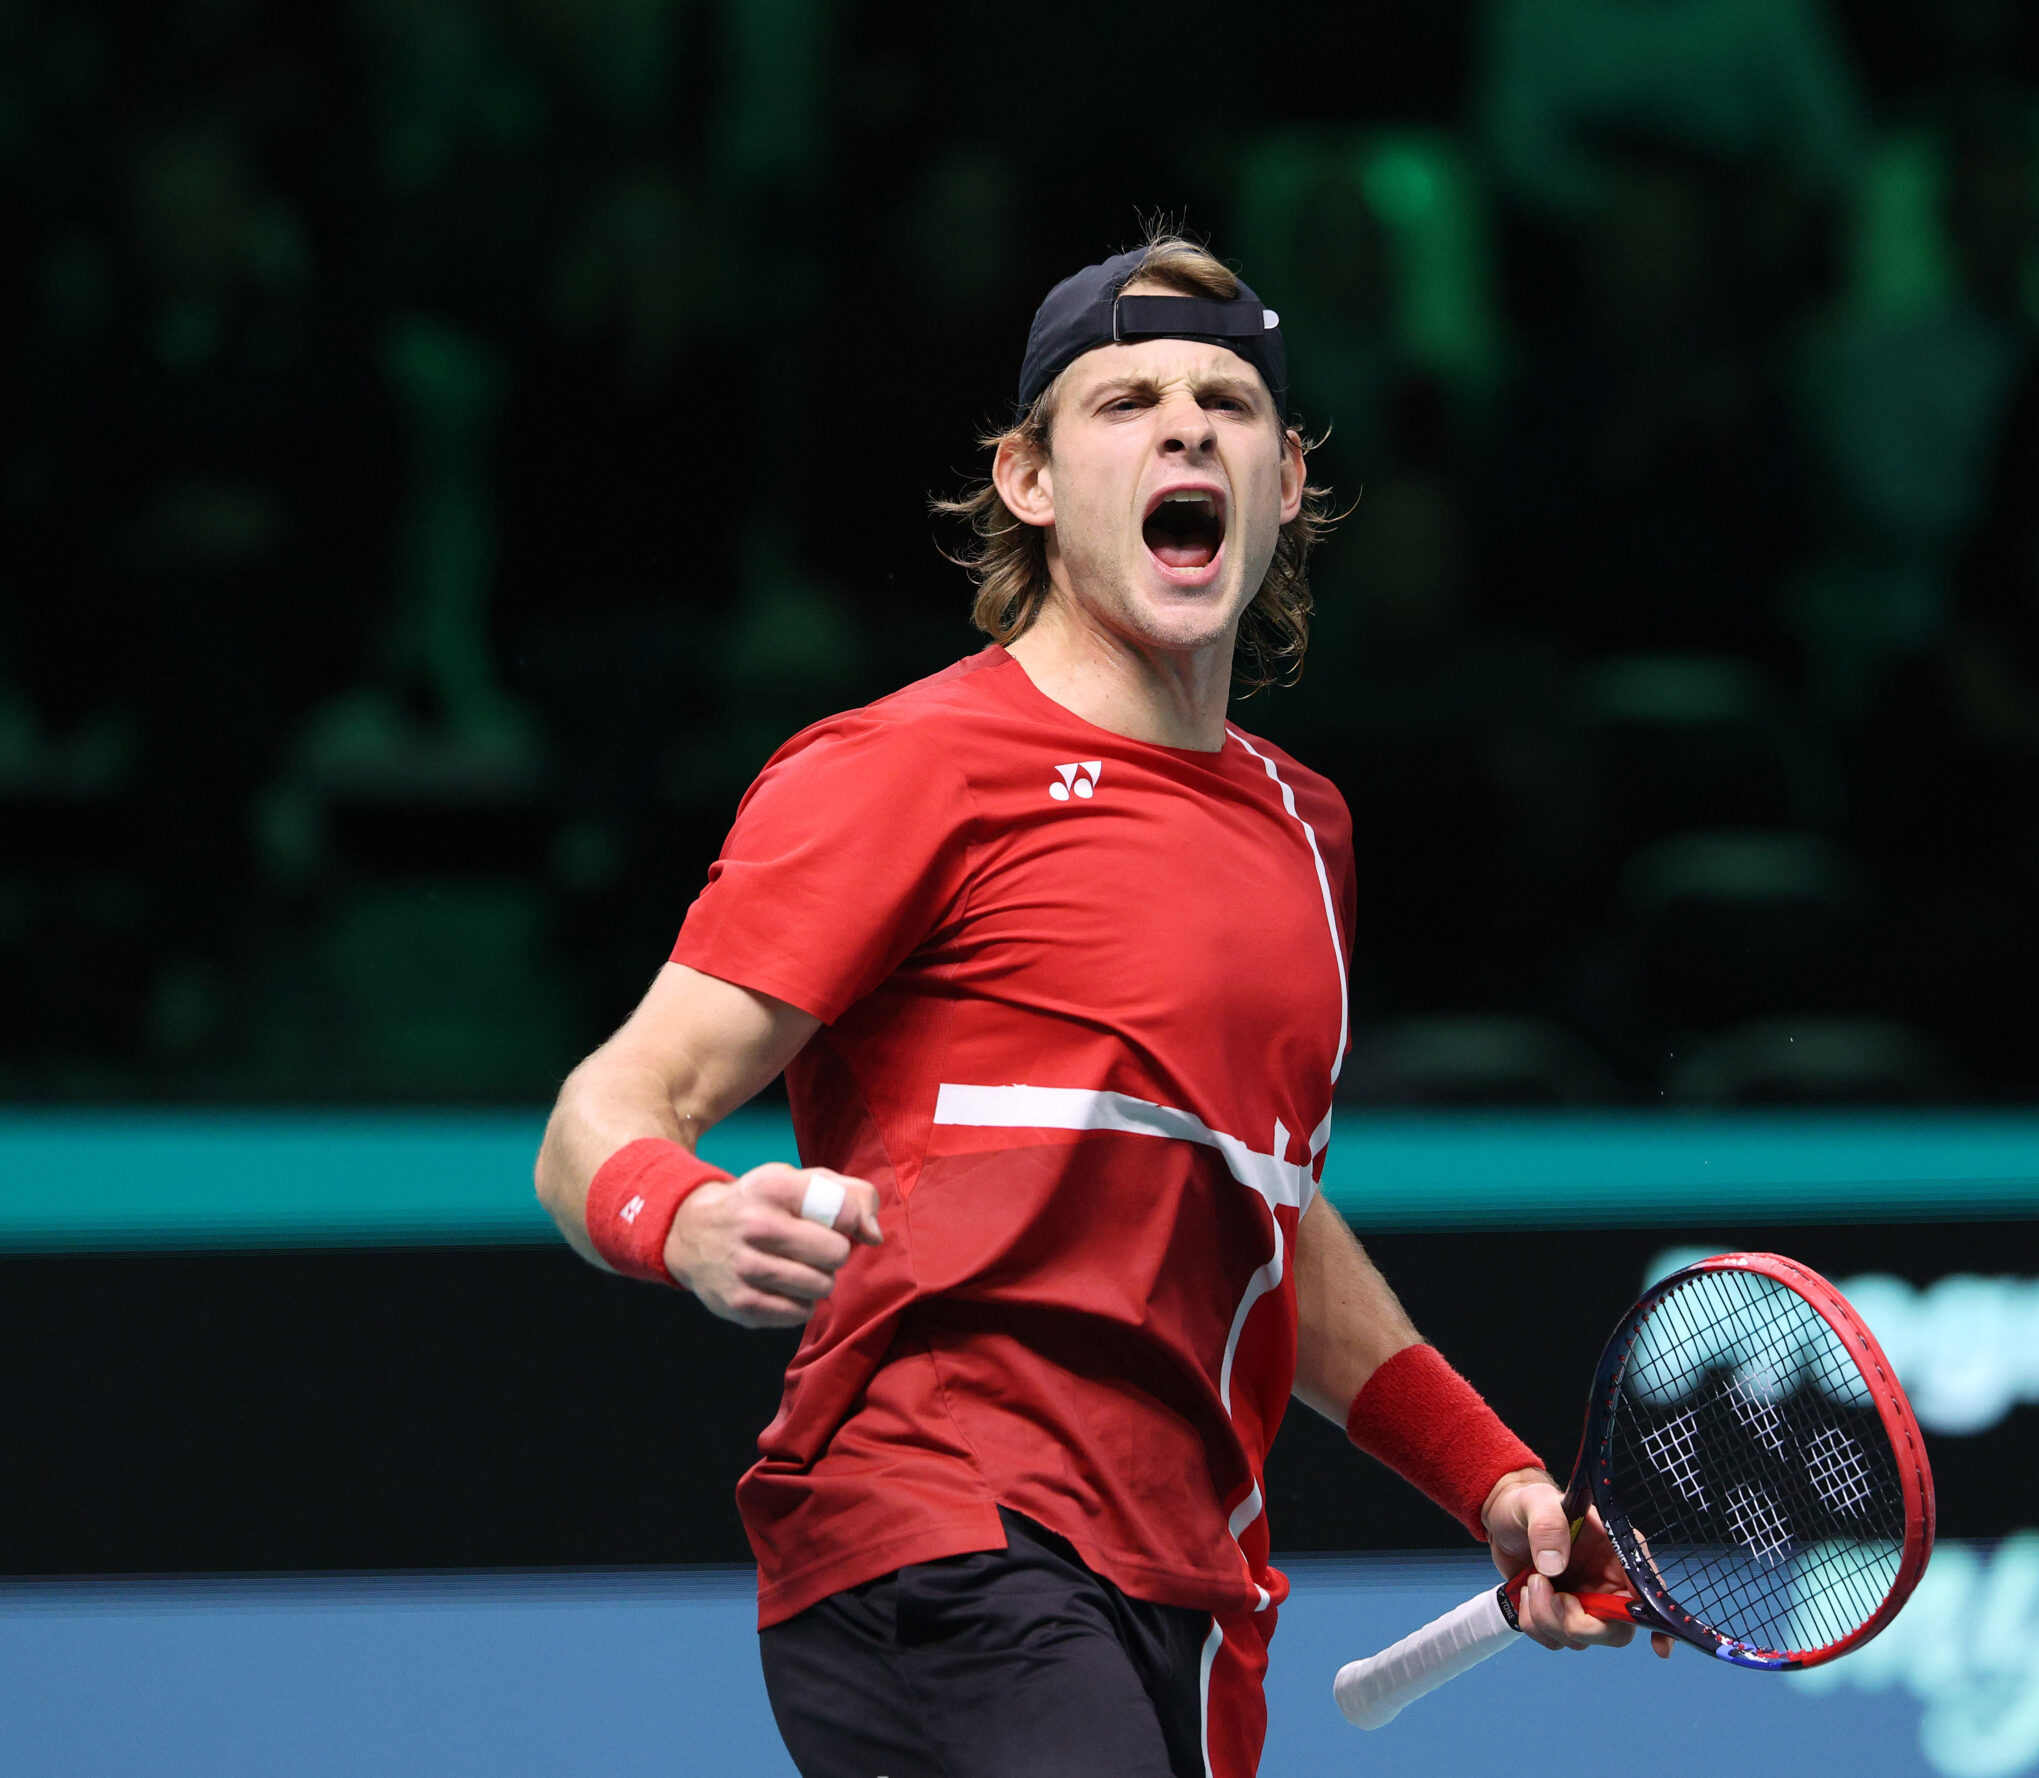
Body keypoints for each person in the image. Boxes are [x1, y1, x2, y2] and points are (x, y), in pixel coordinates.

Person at [532, 231, 1653, 1778]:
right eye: (1125, 400)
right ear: (1030, 480)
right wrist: (690, 1217)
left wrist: (1492, 1479)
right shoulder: (907, 768)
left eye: (1226, 401)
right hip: (944, 1524)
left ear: (1283, 487)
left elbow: (1260, 1208)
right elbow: (602, 1114)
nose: (1186, 425)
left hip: (1183, 1575)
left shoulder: (1304, 829)